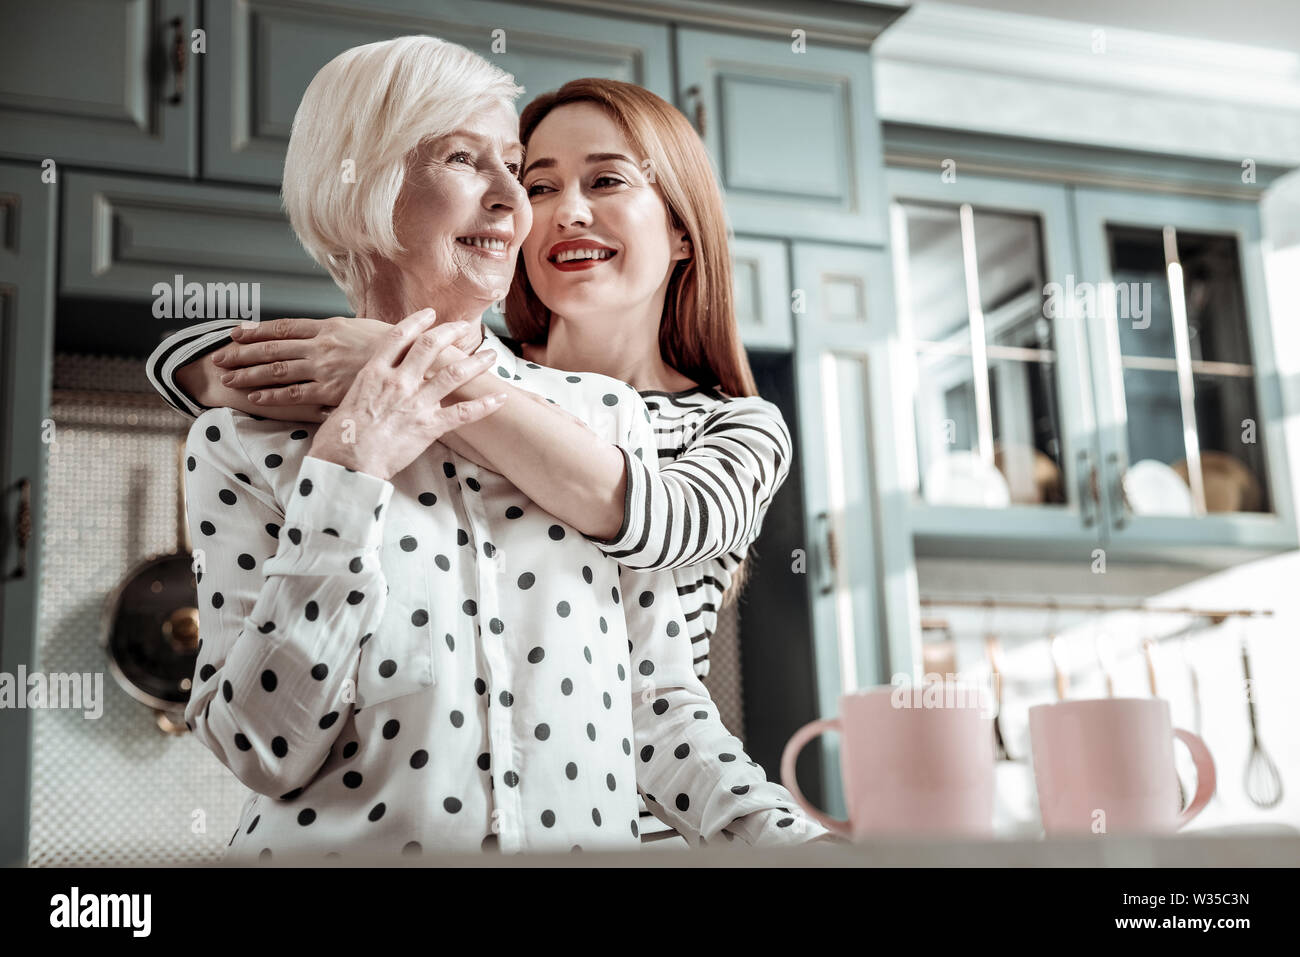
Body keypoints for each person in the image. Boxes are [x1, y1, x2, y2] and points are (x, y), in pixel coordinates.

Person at [170, 35, 831, 861]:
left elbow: (658, 708)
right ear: (362, 182)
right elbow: (256, 746)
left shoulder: (606, 421)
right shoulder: (239, 439)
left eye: (512, 167)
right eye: (465, 159)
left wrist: (803, 848)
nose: (521, 205)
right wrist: (347, 473)